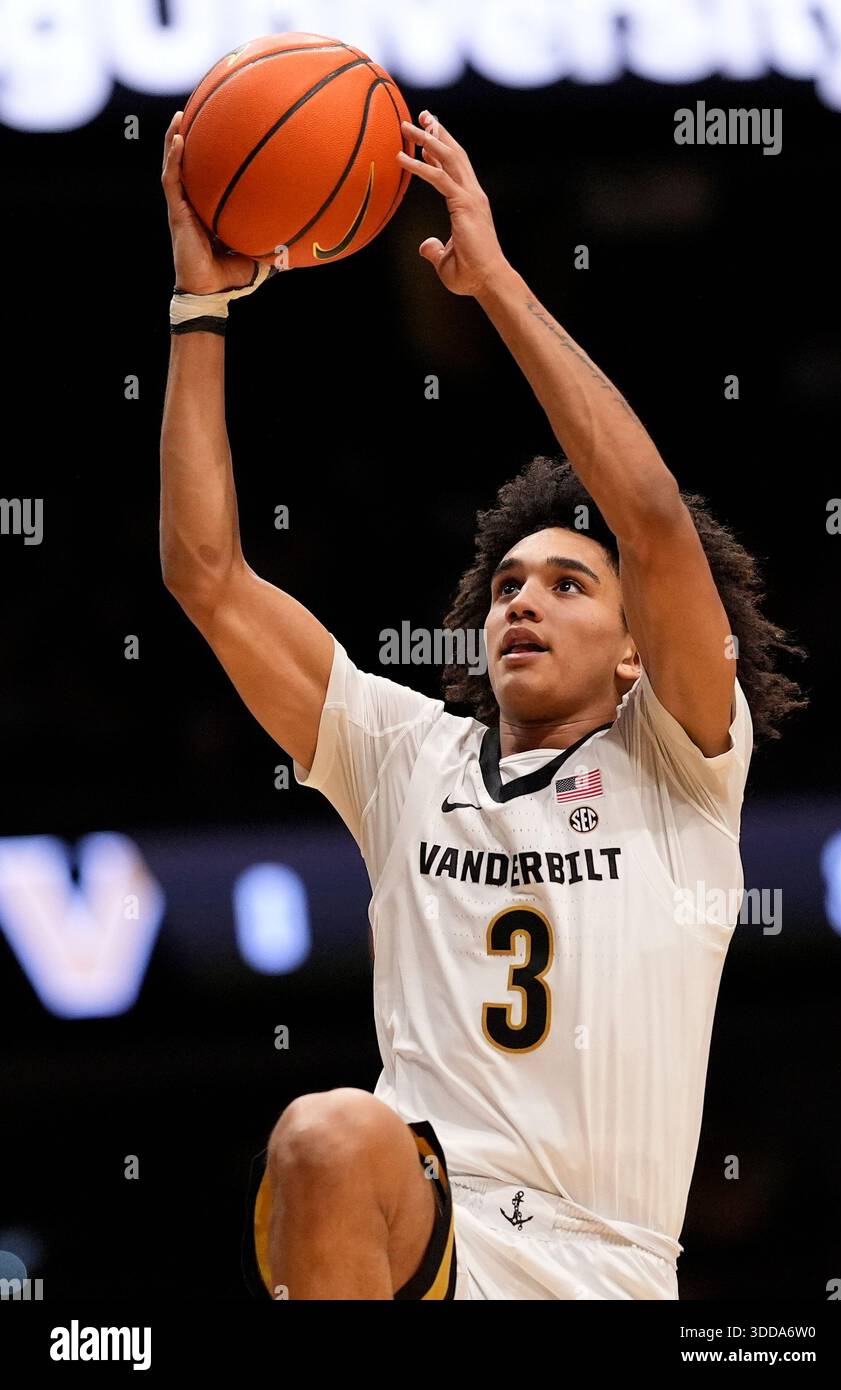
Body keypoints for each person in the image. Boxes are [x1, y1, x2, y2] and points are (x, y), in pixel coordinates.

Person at [160, 108, 805, 1300]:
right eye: (507, 583)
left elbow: (653, 520)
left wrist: (493, 284)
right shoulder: (407, 756)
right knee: (324, 1133)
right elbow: (206, 577)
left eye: (567, 583)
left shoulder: (680, 767)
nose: (522, 601)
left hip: (605, 1264)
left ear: (631, 652)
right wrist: (199, 305)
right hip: (442, 1240)